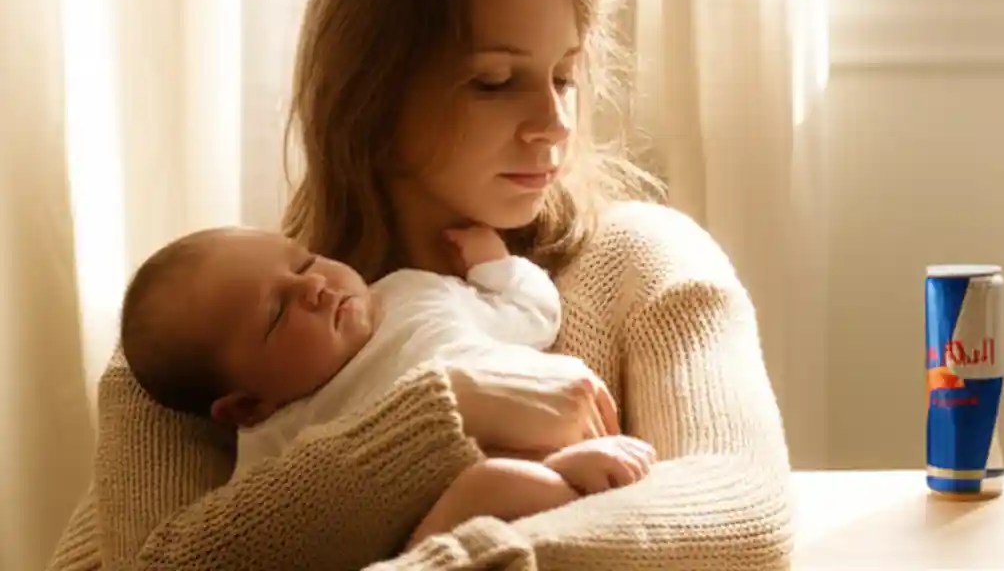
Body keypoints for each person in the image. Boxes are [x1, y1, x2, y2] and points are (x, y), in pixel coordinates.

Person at [49, 0, 792, 571]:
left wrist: (448, 558)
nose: (554, 122)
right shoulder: (209, 323)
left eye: (564, 74)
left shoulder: (643, 260)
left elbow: (745, 519)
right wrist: (441, 414)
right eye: (495, 82)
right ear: (369, 101)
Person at [115, 222, 657, 545]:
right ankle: (557, 479)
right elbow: (281, 526)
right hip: (475, 505)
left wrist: (496, 265)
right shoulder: (278, 436)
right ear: (247, 405)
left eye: (305, 261)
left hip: (583, 420)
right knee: (488, 487)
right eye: (279, 312)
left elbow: (529, 315)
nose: (316, 287)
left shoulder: (409, 291)